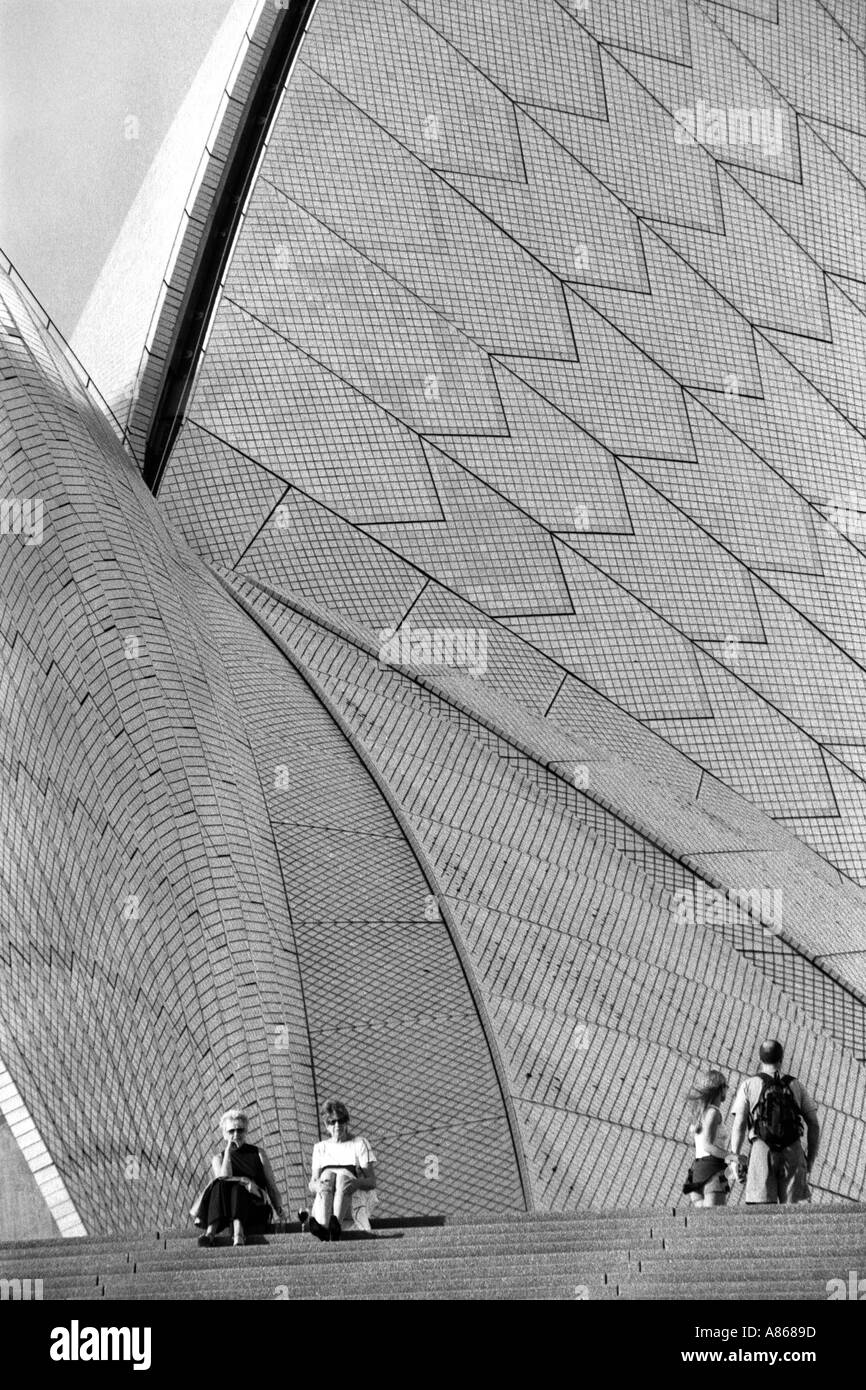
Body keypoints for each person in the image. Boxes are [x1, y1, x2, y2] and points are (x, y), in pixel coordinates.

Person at [729, 1040, 820, 1205]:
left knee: (761, 1212)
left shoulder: (749, 1085)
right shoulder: (796, 1085)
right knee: (794, 1214)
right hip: (793, 1150)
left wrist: (735, 1156)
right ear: (781, 1058)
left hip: (762, 1150)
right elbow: (813, 1123)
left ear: (760, 1059)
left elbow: (739, 1124)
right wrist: (810, 1161)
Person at [191, 1108, 284, 1245]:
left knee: (239, 1188)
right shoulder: (218, 1158)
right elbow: (224, 1179)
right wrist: (228, 1151)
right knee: (221, 1183)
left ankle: (237, 1234)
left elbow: (271, 1185)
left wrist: (279, 1210)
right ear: (224, 1134)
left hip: (255, 1207)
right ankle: (211, 1234)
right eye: (231, 1131)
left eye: (240, 1130)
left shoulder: (258, 1153)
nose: (236, 1134)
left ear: (246, 1131)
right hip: (226, 1213)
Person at [306, 1100, 378, 1241]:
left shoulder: (359, 1143)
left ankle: (331, 1227)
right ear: (327, 1125)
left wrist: (356, 1183)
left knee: (342, 1176)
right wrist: (317, 1186)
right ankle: (329, 1228)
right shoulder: (320, 1148)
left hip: (350, 1199)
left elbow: (372, 1181)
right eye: (333, 1122)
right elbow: (312, 1183)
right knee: (327, 1175)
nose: (338, 1125)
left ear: (346, 1122)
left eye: (341, 1121)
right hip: (326, 1201)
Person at [682, 1070, 737, 1207]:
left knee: (702, 1223)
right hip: (713, 1169)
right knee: (715, 1222)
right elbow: (708, 1145)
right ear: (720, 1088)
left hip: (697, 1170)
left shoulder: (700, 1114)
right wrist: (733, 1156)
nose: (727, 1091)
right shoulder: (714, 1112)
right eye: (726, 1087)